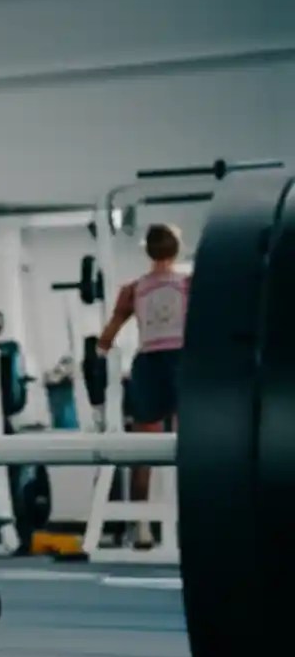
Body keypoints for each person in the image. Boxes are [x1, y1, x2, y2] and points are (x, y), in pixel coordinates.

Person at [97, 223, 189, 546]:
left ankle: (142, 527)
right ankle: (191, 524)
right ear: (177, 249)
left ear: (148, 251)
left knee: (144, 451)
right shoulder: (189, 285)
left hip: (150, 365)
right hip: (181, 363)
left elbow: (106, 339)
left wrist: (102, 359)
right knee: (190, 448)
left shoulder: (133, 289)